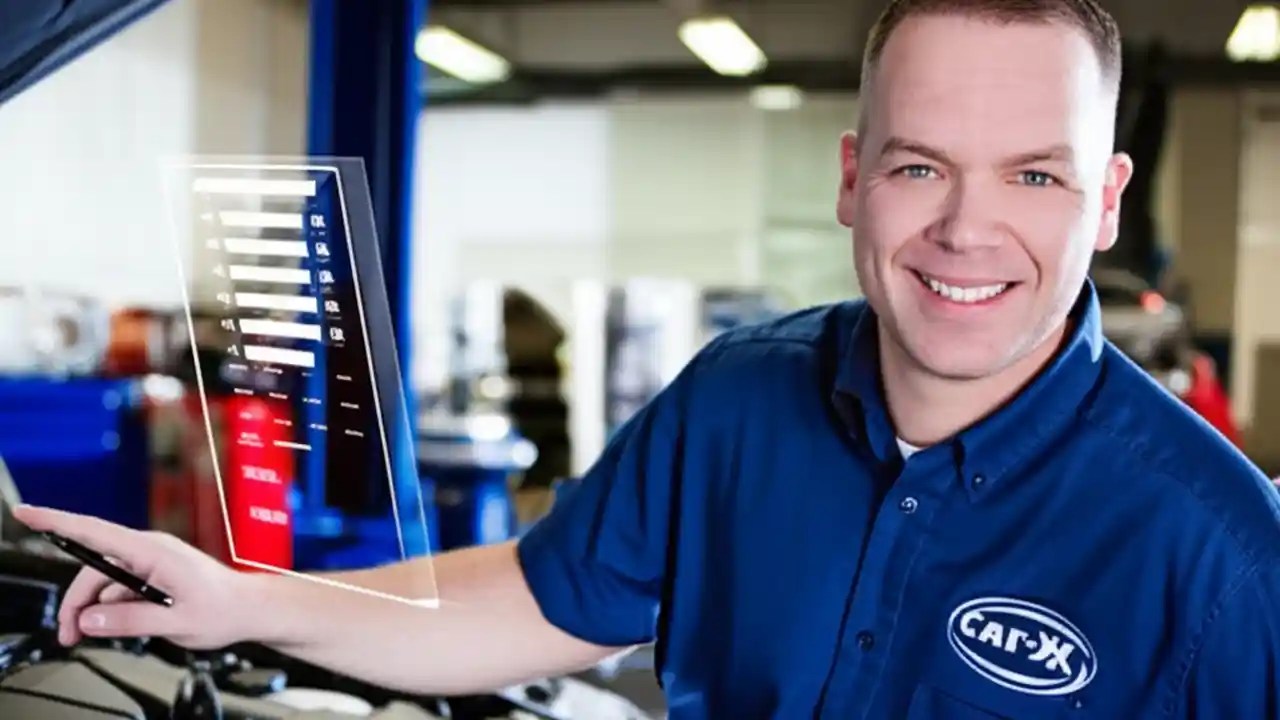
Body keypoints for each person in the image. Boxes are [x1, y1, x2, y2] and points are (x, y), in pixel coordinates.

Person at [15, 0, 1280, 717]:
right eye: (916, 165)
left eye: (1033, 175)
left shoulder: (1225, 556)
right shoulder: (736, 402)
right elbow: (532, 598)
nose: (963, 227)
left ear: (1105, 202)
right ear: (851, 178)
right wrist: (245, 600)